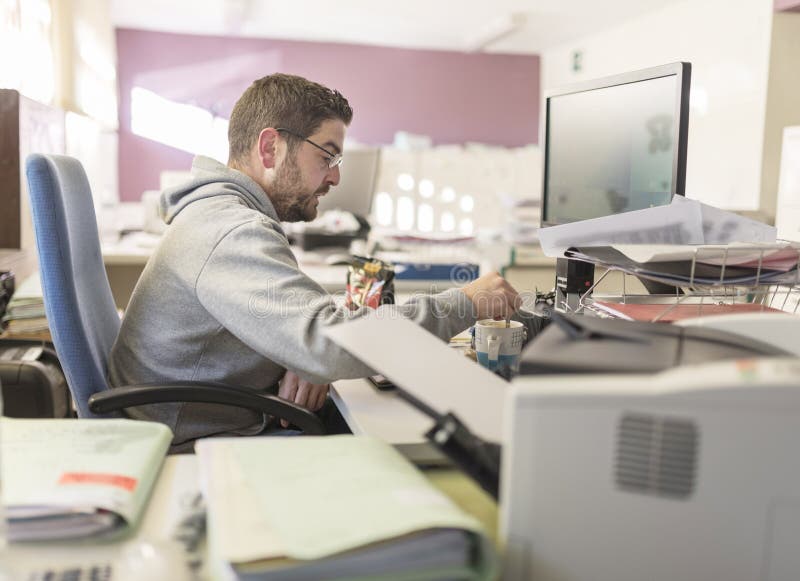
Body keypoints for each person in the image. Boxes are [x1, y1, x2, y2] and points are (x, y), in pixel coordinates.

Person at [108, 73, 525, 446]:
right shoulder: (231, 229)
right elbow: (327, 343)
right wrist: (465, 303)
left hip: (209, 418)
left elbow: (308, 332)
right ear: (270, 148)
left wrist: (296, 352)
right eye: (326, 156)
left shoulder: (222, 215)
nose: (335, 177)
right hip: (192, 441)